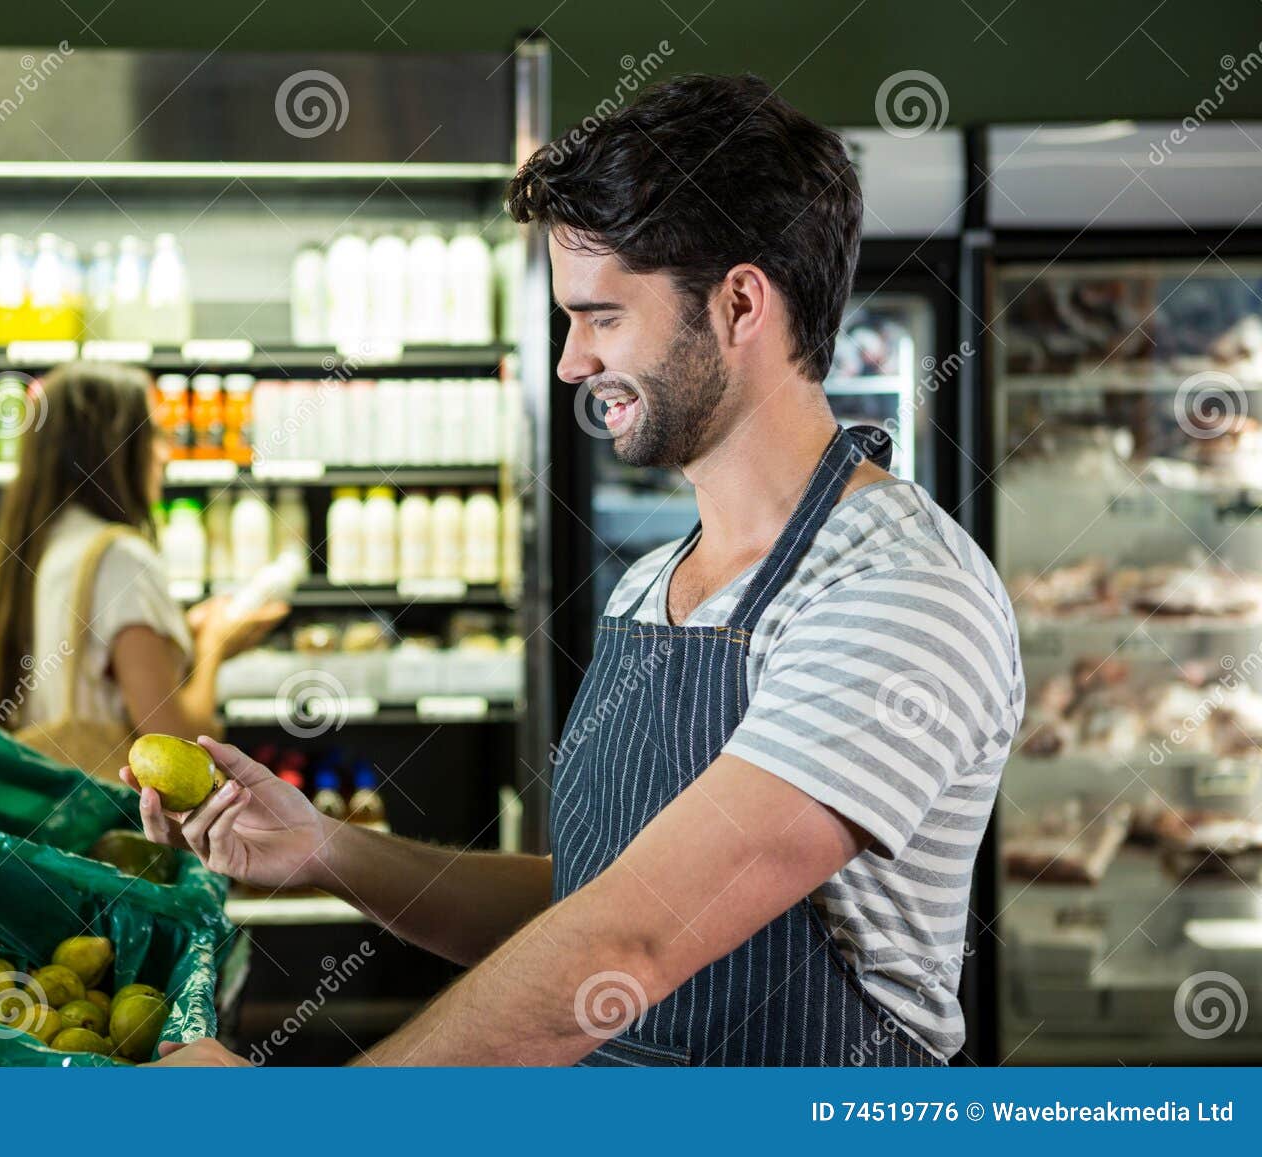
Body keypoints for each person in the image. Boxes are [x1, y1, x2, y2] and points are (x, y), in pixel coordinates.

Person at [126, 74, 1023, 1067]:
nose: (569, 362)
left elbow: (627, 941)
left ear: (737, 304)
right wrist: (329, 849)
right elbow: (587, 899)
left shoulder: (895, 594)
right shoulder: (654, 583)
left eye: (599, 316)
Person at [0, 361, 284, 777]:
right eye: (153, 433)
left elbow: (96, 667)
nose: (165, 452)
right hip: (117, 817)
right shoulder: (119, 557)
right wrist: (215, 647)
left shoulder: (43, 545)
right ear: (113, 446)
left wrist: (183, 637)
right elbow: (174, 740)